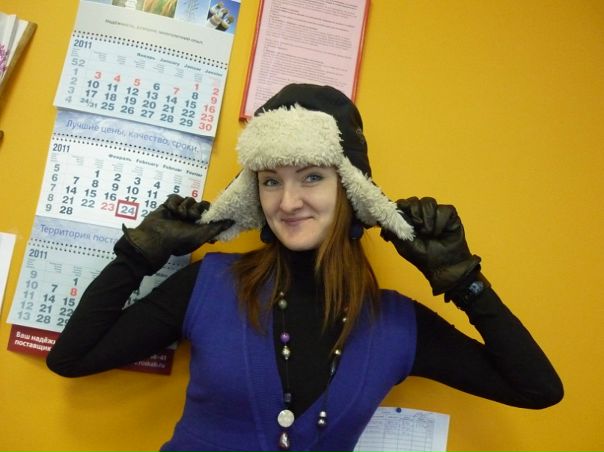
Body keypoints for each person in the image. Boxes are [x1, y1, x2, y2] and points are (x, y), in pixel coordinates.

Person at [46, 84, 563, 452]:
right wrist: (138, 255)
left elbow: (538, 389)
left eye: (312, 176)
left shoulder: (397, 325)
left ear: (350, 188)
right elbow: (72, 357)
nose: (288, 201)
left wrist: (465, 281)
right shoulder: (212, 284)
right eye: (270, 180)